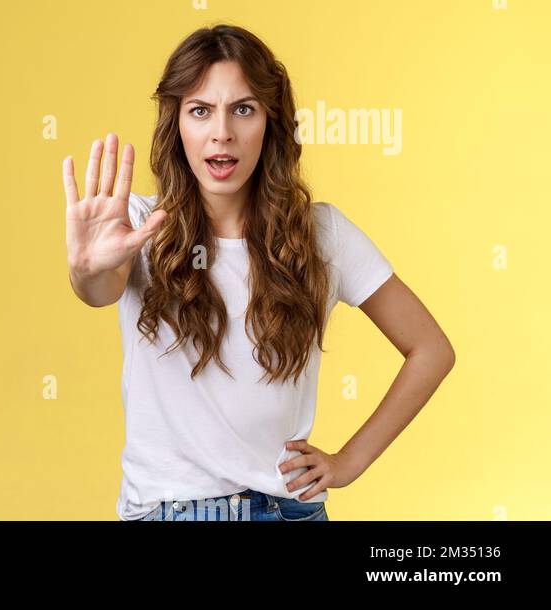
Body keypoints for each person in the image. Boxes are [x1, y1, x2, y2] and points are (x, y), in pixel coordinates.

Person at [61, 24, 455, 521]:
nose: (221, 131)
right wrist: (85, 269)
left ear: (270, 121)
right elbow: (99, 289)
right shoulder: (139, 225)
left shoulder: (321, 234)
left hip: (287, 511)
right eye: (200, 110)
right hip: (170, 512)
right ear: (176, 124)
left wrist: (350, 461)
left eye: (242, 109)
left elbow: (431, 349)